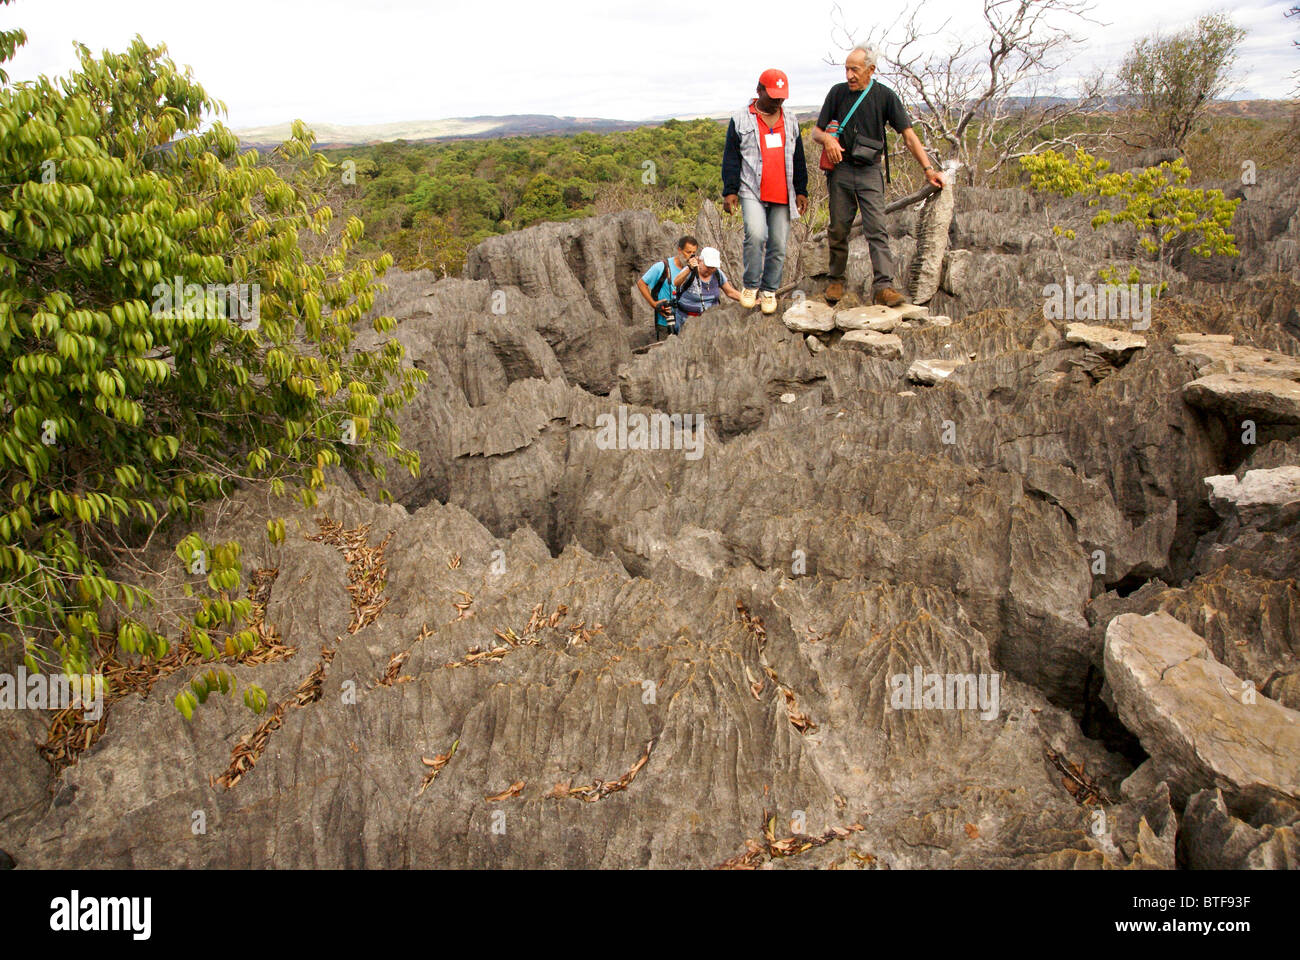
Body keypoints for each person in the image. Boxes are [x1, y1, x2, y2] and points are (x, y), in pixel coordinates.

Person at [812, 45, 945, 307]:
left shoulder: (884, 96)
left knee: (877, 229)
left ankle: (883, 286)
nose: (849, 75)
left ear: (871, 70)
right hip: (840, 170)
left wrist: (928, 169)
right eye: (847, 69)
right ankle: (836, 279)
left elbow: (908, 135)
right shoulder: (837, 93)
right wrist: (827, 138)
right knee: (838, 228)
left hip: (870, 171)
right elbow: (816, 131)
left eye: (855, 70)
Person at [722, 68, 809, 316]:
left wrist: (801, 190)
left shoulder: (791, 120)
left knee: (779, 243)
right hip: (751, 187)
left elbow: (799, 157)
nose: (778, 102)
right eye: (773, 97)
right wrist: (730, 191)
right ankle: (751, 285)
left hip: (783, 189)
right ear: (759, 90)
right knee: (756, 234)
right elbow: (731, 158)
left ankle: (769, 289)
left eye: (781, 98)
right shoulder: (740, 119)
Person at [637, 235, 699, 338]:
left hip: (687, 323)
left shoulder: (694, 270)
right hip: (665, 323)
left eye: (694, 253)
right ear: (679, 250)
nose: (691, 256)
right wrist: (654, 304)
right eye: (688, 252)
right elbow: (641, 283)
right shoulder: (662, 267)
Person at [674, 247, 741, 325]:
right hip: (686, 320)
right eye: (707, 266)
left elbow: (730, 292)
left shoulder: (717, 274)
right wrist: (689, 268)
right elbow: (676, 282)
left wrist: (748, 300)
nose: (710, 270)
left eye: (713, 268)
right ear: (700, 261)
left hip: (710, 320)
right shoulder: (689, 271)